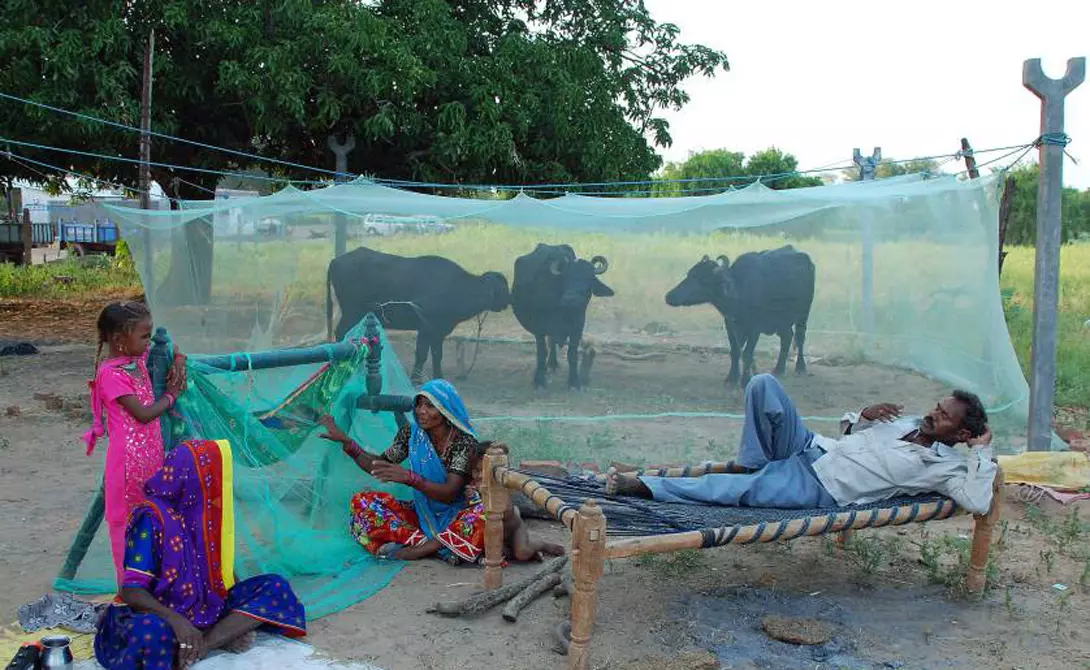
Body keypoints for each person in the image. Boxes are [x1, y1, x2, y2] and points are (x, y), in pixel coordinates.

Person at [606, 374, 998, 515]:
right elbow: (853, 440)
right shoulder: (907, 423)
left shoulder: (948, 468)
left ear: (962, 435)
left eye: (944, 416)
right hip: (813, 446)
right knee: (765, 386)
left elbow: (978, 502)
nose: (933, 414)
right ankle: (754, 461)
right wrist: (864, 414)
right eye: (937, 406)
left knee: (730, 490)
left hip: (821, 486)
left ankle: (644, 486)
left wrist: (983, 450)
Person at [94, 439, 306, 670]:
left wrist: (228, 600)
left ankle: (203, 644)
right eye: (211, 476)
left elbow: (220, 571)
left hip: (204, 606)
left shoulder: (203, 512)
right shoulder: (151, 517)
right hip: (158, 611)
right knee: (151, 636)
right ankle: (209, 637)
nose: (215, 484)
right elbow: (131, 590)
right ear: (191, 477)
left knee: (275, 588)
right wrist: (177, 621)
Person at [319, 379, 487, 564]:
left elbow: (449, 494)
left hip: (457, 514)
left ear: (445, 410)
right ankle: (427, 543)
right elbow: (379, 465)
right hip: (422, 513)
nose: (421, 411)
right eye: (419, 405)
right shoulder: (411, 434)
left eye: (430, 406)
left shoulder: (463, 442)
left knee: (485, 512)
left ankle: (426, 548)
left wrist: (410, 478)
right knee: (362, 502)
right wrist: (348, 444)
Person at [83, 300, 187, 587]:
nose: (149, 341)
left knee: (152, 520)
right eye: (144, 335)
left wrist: (178, 360)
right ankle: (129, 590)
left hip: (150, 460)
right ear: (119, 340)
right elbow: (142, 415)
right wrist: (171, 396)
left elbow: (176, 349)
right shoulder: (111, 374)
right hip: (128, 465)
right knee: (128, 528)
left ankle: (152, 587)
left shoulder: (135, 361)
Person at [470, 441, 566, 562]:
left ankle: (541, 545)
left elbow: (505, 511)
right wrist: (471, 497)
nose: (479, 475)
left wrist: (484, 494)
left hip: (513, 528)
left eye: (483, 470)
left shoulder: (502, 486)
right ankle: (528, 552)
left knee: (522, 553)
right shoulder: (473, 487)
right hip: (495, 533)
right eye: (476, 470)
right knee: (501, 553)